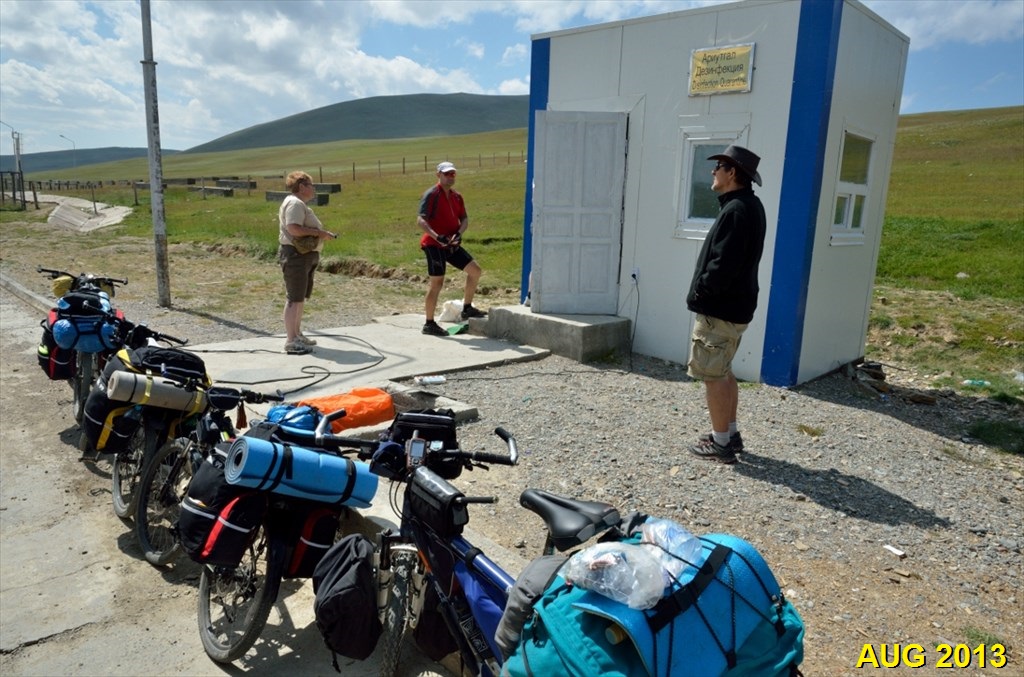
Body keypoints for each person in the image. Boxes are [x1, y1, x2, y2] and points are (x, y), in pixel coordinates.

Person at [686, 145, 766, 464]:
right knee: (724, 370)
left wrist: (702, 294)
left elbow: (723, 265)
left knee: (713, 375)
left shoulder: (736, 210)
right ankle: (729, 434)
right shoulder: (748, 205)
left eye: (718, 166)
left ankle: (721, 444)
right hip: (735, 308)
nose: (713, 171)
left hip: (721, 310)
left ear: (732, 173)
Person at [417, 161, 486, 337]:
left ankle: (467, 308)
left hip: (451, 243)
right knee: (437, 284)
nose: (450, 177)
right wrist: (436, 236)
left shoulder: (457, 196)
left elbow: (464, 219)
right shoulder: (431, 194)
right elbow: (421, 220)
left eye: (453, 174)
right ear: (438, 175)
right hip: (434, 245)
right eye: (446, 174)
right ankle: (429, 323)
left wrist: (459, 233)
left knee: (475, 271)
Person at [278, 171, 337, 355]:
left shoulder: (297, 203)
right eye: (311, 185)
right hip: (296, 255)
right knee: (294, 298)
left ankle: (296, 334)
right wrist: (320, 233)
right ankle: (291, 340)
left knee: (299, 298)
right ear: (302, 186)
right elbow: (293, 228)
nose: (313, 189)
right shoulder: (295, 203)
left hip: (303, 255)